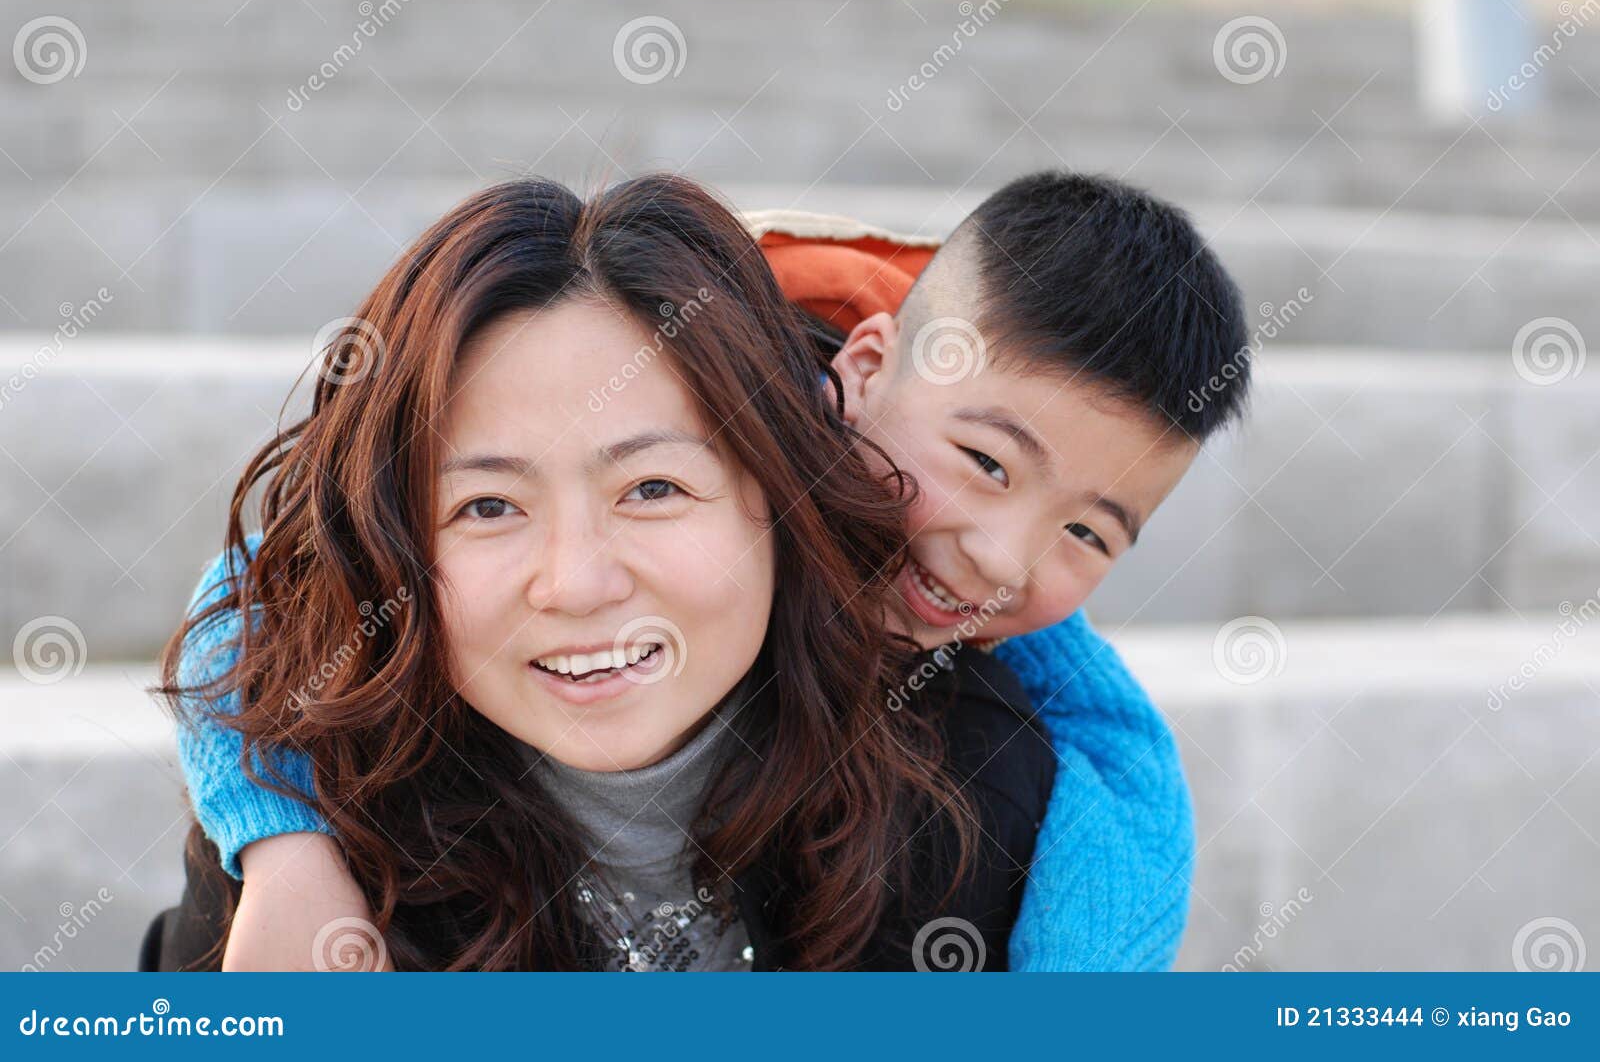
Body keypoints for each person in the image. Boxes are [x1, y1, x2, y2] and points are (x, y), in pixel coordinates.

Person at [155, 170, 1251, 971]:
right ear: (847, 386)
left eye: (654, 491)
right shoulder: (325, 820)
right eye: (489, 505)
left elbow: (1124, 765)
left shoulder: (985, 771)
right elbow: (273, 585)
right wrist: (282, 839)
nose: (999, 556)